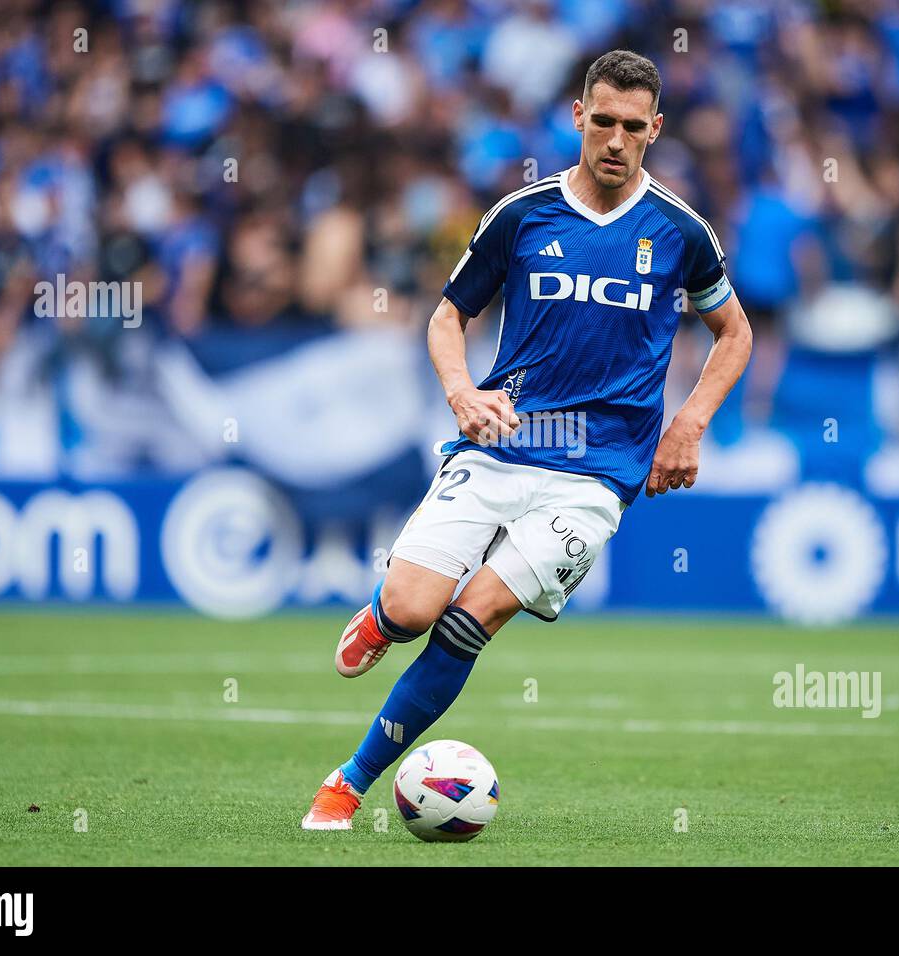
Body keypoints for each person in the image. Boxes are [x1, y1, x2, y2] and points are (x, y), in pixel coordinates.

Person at [300, 50, 753, 829]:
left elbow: (734, 332)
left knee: (472, 618)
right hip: (503, 443)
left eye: (632, 127)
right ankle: (382, 618)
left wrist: (689, 424)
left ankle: (347, 783)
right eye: (601, 121)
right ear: (578, 117)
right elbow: (447, 316)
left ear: (656, 130)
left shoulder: (682, 231)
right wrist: (461, 393)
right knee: (413, 608)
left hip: (598, 474)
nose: (615, 139)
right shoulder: (522, 214)